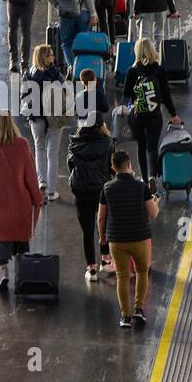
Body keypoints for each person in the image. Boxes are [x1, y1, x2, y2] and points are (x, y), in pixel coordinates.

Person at [0, 110, 43, 290]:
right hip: (20, 204)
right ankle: (22, 274)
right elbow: (30, 176)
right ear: (12, 124)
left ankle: (4, 272)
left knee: (0, 239)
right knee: (21, 239)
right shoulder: (22, 144)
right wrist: (38, 198)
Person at [99, 150, 160, 328]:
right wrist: (155, 202)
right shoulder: (141, 187)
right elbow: (153, 214)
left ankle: (125, 317)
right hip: (140, 238)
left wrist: (103, 238)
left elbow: (101, 217)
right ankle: (139, 310)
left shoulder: (107, 188)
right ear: (130, 165)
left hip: (116, 240)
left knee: (122, 276)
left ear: (113, 168)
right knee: (141, 272)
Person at [122, 37, 181, 184]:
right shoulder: (159, 70)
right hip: (154, 115)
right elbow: (166, 95)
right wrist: (174, 115)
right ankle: (152, 176)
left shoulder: (132, 71)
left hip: (137, 115)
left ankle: (144, 179)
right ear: (152, 50)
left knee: (141, 146)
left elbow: (127, 94)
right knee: (152, 147)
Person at [68, 112, 115, 281]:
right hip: (102, 190)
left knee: (87, 231)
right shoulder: (108, 144)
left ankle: (92, 269)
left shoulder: (74, 144)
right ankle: (106, 260)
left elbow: (70, 165)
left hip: (81, 191)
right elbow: (112, 167)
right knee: (103, 225)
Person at [23, 44, 71, 199]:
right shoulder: (55, 74)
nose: (53, 57)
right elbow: (67, 92)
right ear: (44, 57)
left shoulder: (29, 73)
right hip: (54, 116)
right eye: (50, 54)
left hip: (36, 117)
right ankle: (51, 191)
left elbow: (24, 97)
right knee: (52, 152)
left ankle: (41, 182)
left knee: (40, 149)